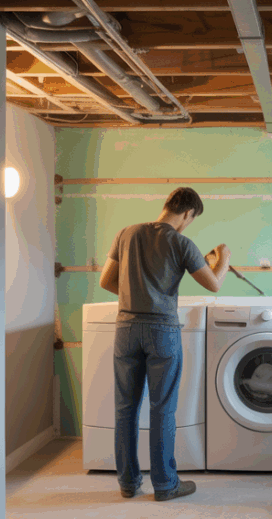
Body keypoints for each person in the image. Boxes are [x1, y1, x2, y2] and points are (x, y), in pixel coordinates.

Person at [99, 187, 231, 501]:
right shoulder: (181, 242)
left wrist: (138, 295)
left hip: (126, 327)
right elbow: (214, 283)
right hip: (162, 330)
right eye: (191, 219)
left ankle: (128, 484)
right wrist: (223, 258)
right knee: (162, 409)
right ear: (188, 213)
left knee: (125, 409)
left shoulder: (126, 234)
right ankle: (165, 485)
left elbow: (106, 281)